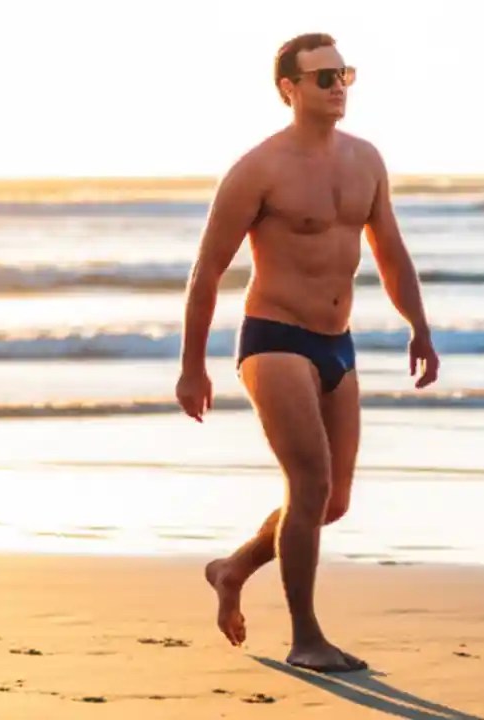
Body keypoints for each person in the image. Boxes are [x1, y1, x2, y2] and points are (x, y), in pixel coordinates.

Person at [175, 32, 439, 674]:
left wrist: (419, 326)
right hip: (275, 338)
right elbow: (207, 270)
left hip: (336, 343)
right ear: (289, 89)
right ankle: (306, 637)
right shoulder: (258, 169)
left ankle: (233, 568)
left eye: (344, 74)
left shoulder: (367, 160)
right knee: (309, 482)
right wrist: (191, 365)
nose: (338, 86)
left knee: (333, 500)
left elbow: (390, 253)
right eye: (323, 78)